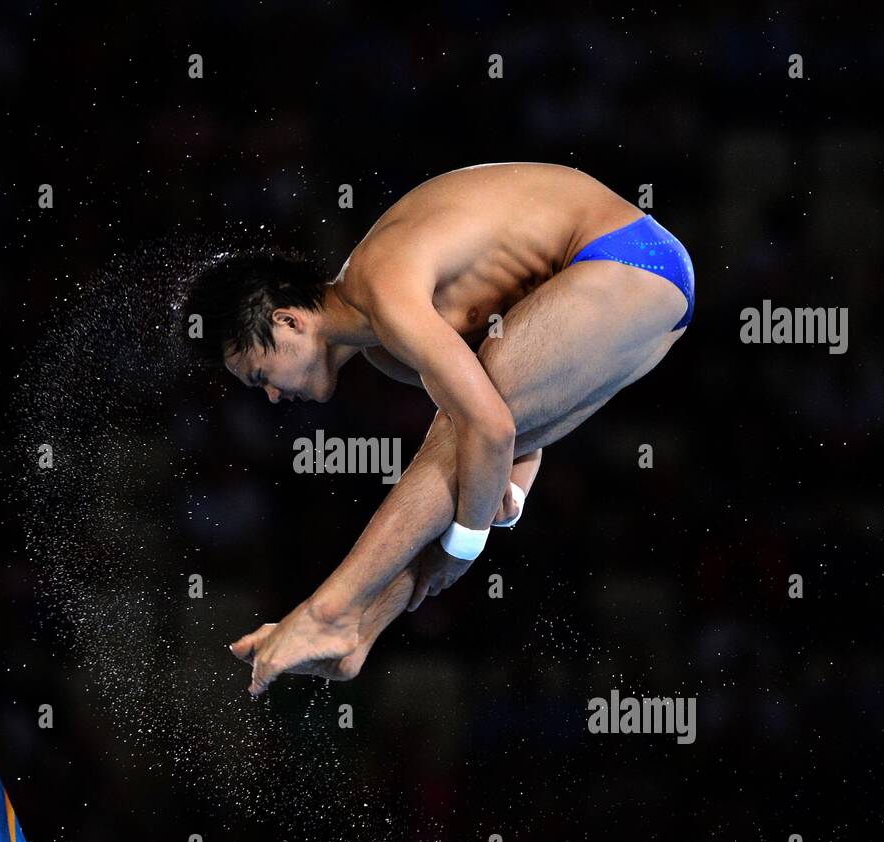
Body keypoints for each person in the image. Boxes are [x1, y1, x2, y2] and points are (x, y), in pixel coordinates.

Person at [182, 162, 694, 695]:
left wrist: (466, 544)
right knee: (461, 464)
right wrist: (499, 498)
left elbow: (492, 428)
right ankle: (359, 631)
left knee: (460, 446)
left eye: (260, 375)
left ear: (288, 321)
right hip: (648, 289)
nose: (270, 396)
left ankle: (330, 611)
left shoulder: (380, 283)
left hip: (623, 258)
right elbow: (514, 424)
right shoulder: (383, 348)